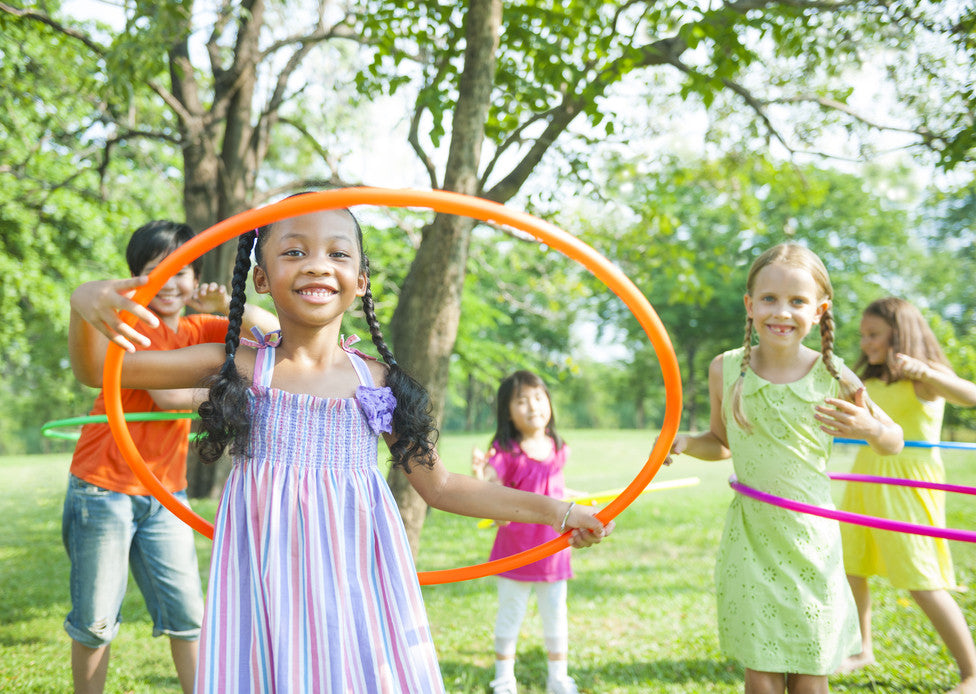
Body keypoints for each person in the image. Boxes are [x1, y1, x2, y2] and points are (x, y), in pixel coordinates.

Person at [67, 203, 613, 694]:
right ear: (261, 277)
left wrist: (558, 512)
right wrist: (82, 301)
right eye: (294, 252)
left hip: (356, 588)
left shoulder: (377, 383)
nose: (316, 265)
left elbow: (442, 486)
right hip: (267, 586)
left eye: (337, 253)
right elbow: (98, 371)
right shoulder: (235, 366)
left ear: (360, 279)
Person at [663, 242, 903, 694]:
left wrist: (870, 427)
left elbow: (895, 440)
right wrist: (687, 443)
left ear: (818, 310)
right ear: (750, 305)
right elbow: (722, 444)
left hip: (811, 541)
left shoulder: (833, 374)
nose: (782, 312)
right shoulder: (726, 369)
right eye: (769, 299)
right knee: (762, 672)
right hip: (751, 538)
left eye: (797, 301)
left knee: (811, 672)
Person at [63, 220, 278, 694]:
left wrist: (230, 307)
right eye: (153, 270)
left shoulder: (203, 328)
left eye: (179, 270)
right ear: (134, 279)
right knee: (96, 621)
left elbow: (276, 336)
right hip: (102, 486)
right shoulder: (131, 326)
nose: (168, 281)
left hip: (164, 492)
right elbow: (169, 398)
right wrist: (232, 394)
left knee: (188, 617)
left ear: (195, 277)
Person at [837, 297, 976, 693]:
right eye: (863, 335)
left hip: (908, 485)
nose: (865, 342)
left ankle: (971, 671)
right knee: (852, 566)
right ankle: (862, 649)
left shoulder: (925, 378)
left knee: (920, 577)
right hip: (865, 477)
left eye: (874, 334)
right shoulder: (869, 382)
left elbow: (971, 395)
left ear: (900, 334)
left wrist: (926, 370)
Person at [471, 370, 583, 694]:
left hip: (553, 552)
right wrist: (480, 473)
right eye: (521, 400)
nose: (533, 406)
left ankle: (558, 678)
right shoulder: (505, 452)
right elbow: (491, 490)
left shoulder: (558, 448)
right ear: (507, 412)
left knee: (556, 615)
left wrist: (575, 499)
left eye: (538, 397)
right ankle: (504, 680)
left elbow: (553, 489)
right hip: (516, 553)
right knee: (511, 614)